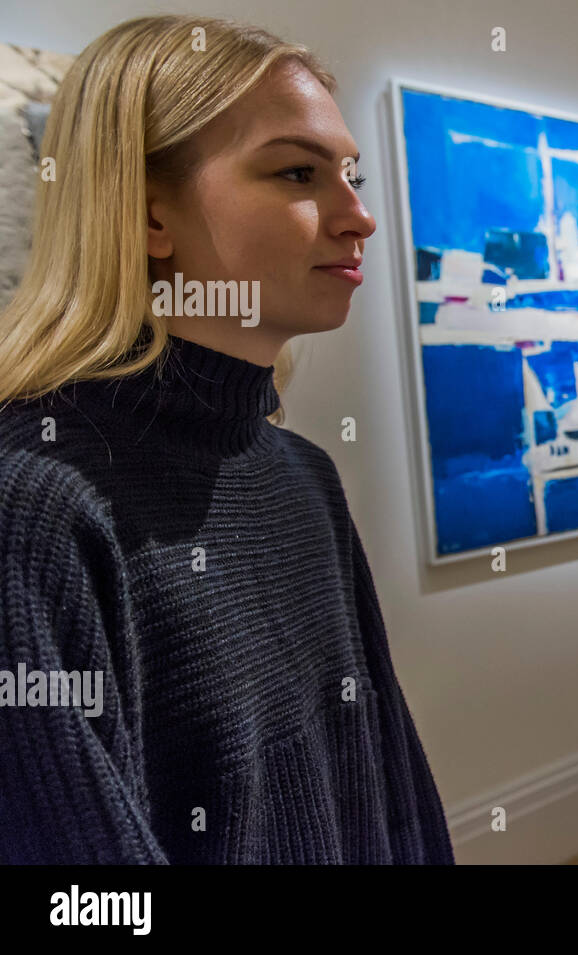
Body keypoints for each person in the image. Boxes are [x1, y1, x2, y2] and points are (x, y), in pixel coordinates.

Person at [0, 15, 455, 864]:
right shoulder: (34, 504)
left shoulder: (302, 476)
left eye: (351, 177)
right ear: (146, 215)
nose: (360, 218)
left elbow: (392, 785)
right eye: (297, 172)